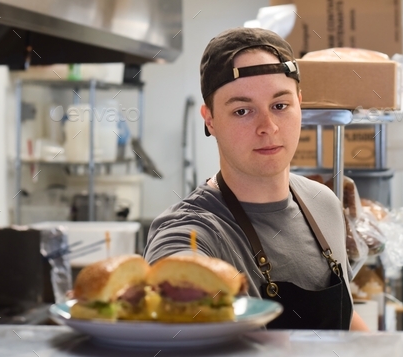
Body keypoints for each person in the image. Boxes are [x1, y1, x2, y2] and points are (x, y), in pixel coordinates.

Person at [144, 27, 369, 331]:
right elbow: (173, 272)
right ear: (209, 119)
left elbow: (346, 321)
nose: (268, 127)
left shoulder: (324, 203)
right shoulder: (194, 229)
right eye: (242, 111)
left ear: (300, 104)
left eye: (280, 106)